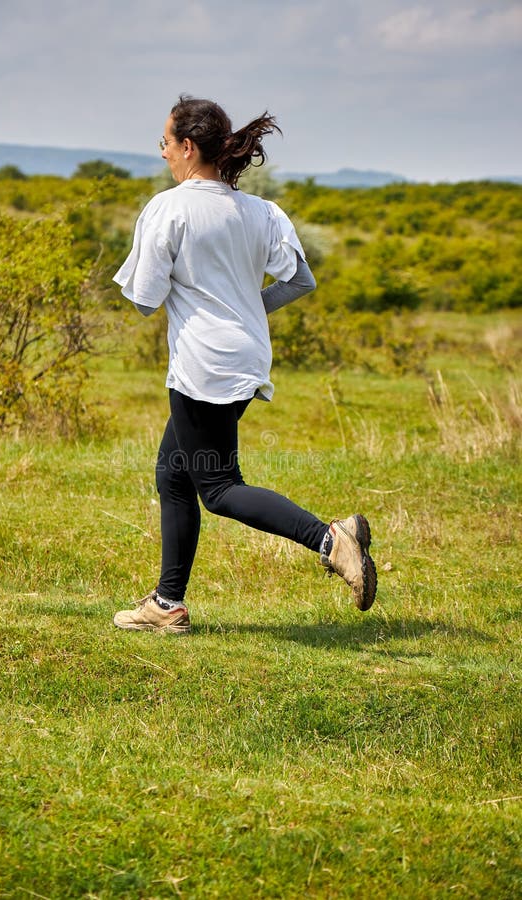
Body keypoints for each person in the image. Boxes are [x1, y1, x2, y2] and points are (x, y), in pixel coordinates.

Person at [112, 95, 376, 633]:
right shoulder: (262, 211)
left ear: (188, 146)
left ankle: (330, 540)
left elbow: (144, 300)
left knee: (218, 487)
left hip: (203, 365)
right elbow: (300, 280)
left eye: (165, 143)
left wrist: (181, 287)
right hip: (246, 356)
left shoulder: (169, 208)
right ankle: (167, 604)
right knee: (173, 473)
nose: (162, 153)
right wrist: (244, 305)